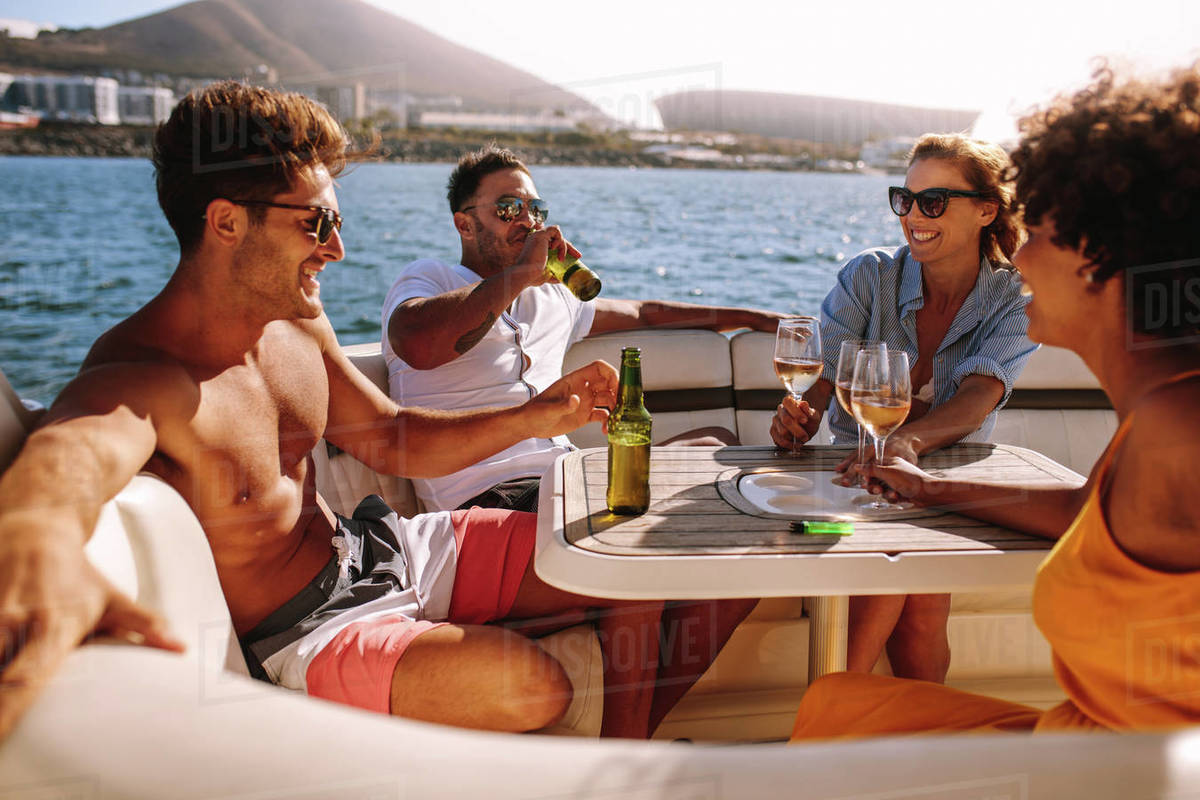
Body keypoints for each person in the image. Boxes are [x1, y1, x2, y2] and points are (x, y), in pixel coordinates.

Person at [0, 82, 736, 741]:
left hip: (385, 548)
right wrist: (36, 543)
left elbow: (393, 438)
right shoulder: (146, 374)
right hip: (309, 628)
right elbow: (71, 454)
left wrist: (536, 417)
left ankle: (629, 761)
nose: (339, 250)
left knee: (641, 546)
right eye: (317, 224)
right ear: (227, 222)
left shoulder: (295, 323)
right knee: (533, 687)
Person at [791, 63, 1200, 740]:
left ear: (1103, 256)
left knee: (832, 726)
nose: (1022, 254)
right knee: (836, 704)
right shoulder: (1159, 416)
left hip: (1117, 771)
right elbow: (1079, 513)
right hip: (1093, 743)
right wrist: (927, 492)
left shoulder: (1178, 432)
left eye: (1037, 231)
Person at [383, 144, 785, 515]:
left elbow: (643, 313)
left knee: (716, 447)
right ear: (464, 225)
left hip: (566, 478)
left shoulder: (553, 299)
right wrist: (520, 274)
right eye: (508, 208)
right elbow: (419, 345)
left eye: (536, 209)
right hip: (488, 498)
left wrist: (755, 319)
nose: (527, 221)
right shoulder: (430, 280)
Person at [770, 133, 1037, 682]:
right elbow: (821, 383)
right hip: (850, 472)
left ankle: (840, 724)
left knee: (912, 589)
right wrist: (801, 416)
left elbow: (977, 397)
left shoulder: (1015, 297)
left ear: (987, 210)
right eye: (905, 198)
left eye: (933, 201)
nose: (914, 214)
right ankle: (869, 731)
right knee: (906, 579)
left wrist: (905, 444)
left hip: (950, 479)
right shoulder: (868, 274)